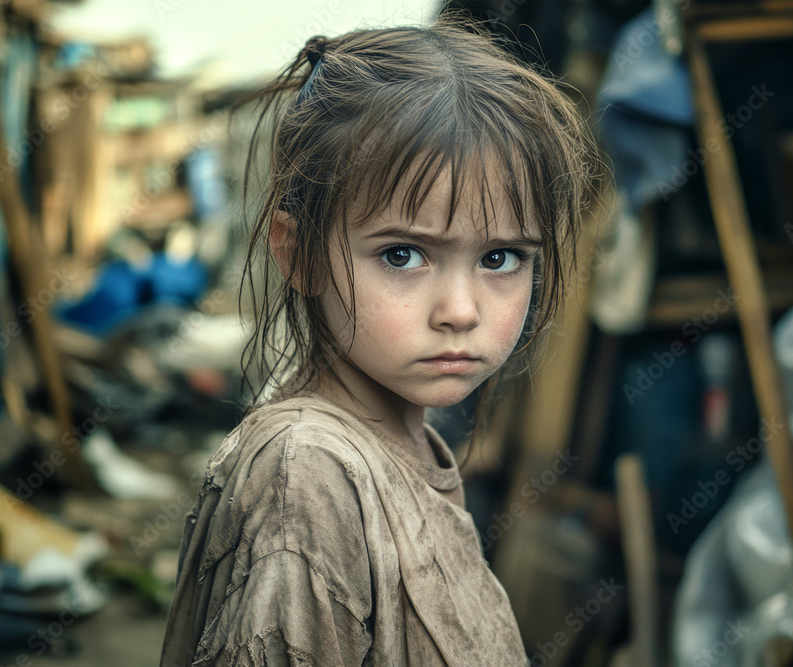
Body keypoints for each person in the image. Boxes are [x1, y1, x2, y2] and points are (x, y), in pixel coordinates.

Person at [160, 17, 599, 667]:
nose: (460, 310)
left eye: (502, 257)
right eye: (402, 253)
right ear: (298, 251)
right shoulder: (306, 474)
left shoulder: (406, 443)